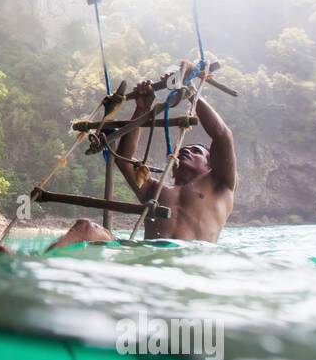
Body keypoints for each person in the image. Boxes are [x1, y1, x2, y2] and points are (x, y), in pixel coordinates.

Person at [30, 68, 237, 251]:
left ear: (210, 165)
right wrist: (142, 108)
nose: (186, 151)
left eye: (196, 151)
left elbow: (223, 136)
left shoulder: (220, 185)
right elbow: (124, 159)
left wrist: (188, 89)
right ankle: (38, 262)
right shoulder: (156, 191)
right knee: (85, 227)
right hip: (149, 254)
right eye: (183, 148)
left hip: (193, 258)